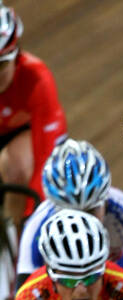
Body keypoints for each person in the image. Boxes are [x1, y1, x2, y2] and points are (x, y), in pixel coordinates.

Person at [17, 138, 123, 300]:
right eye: (70, 212)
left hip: (114, 286)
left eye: (90, 211)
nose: (81, 221)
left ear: (104, 200)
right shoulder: (37, 224)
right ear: (54, 207)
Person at [0, 5, 66, 226]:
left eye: (1, 65)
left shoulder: (37, 79)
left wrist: (33, 213)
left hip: (19, 138)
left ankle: (14, 241)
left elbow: (47, 156)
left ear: (16, 54)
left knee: (19, 163)